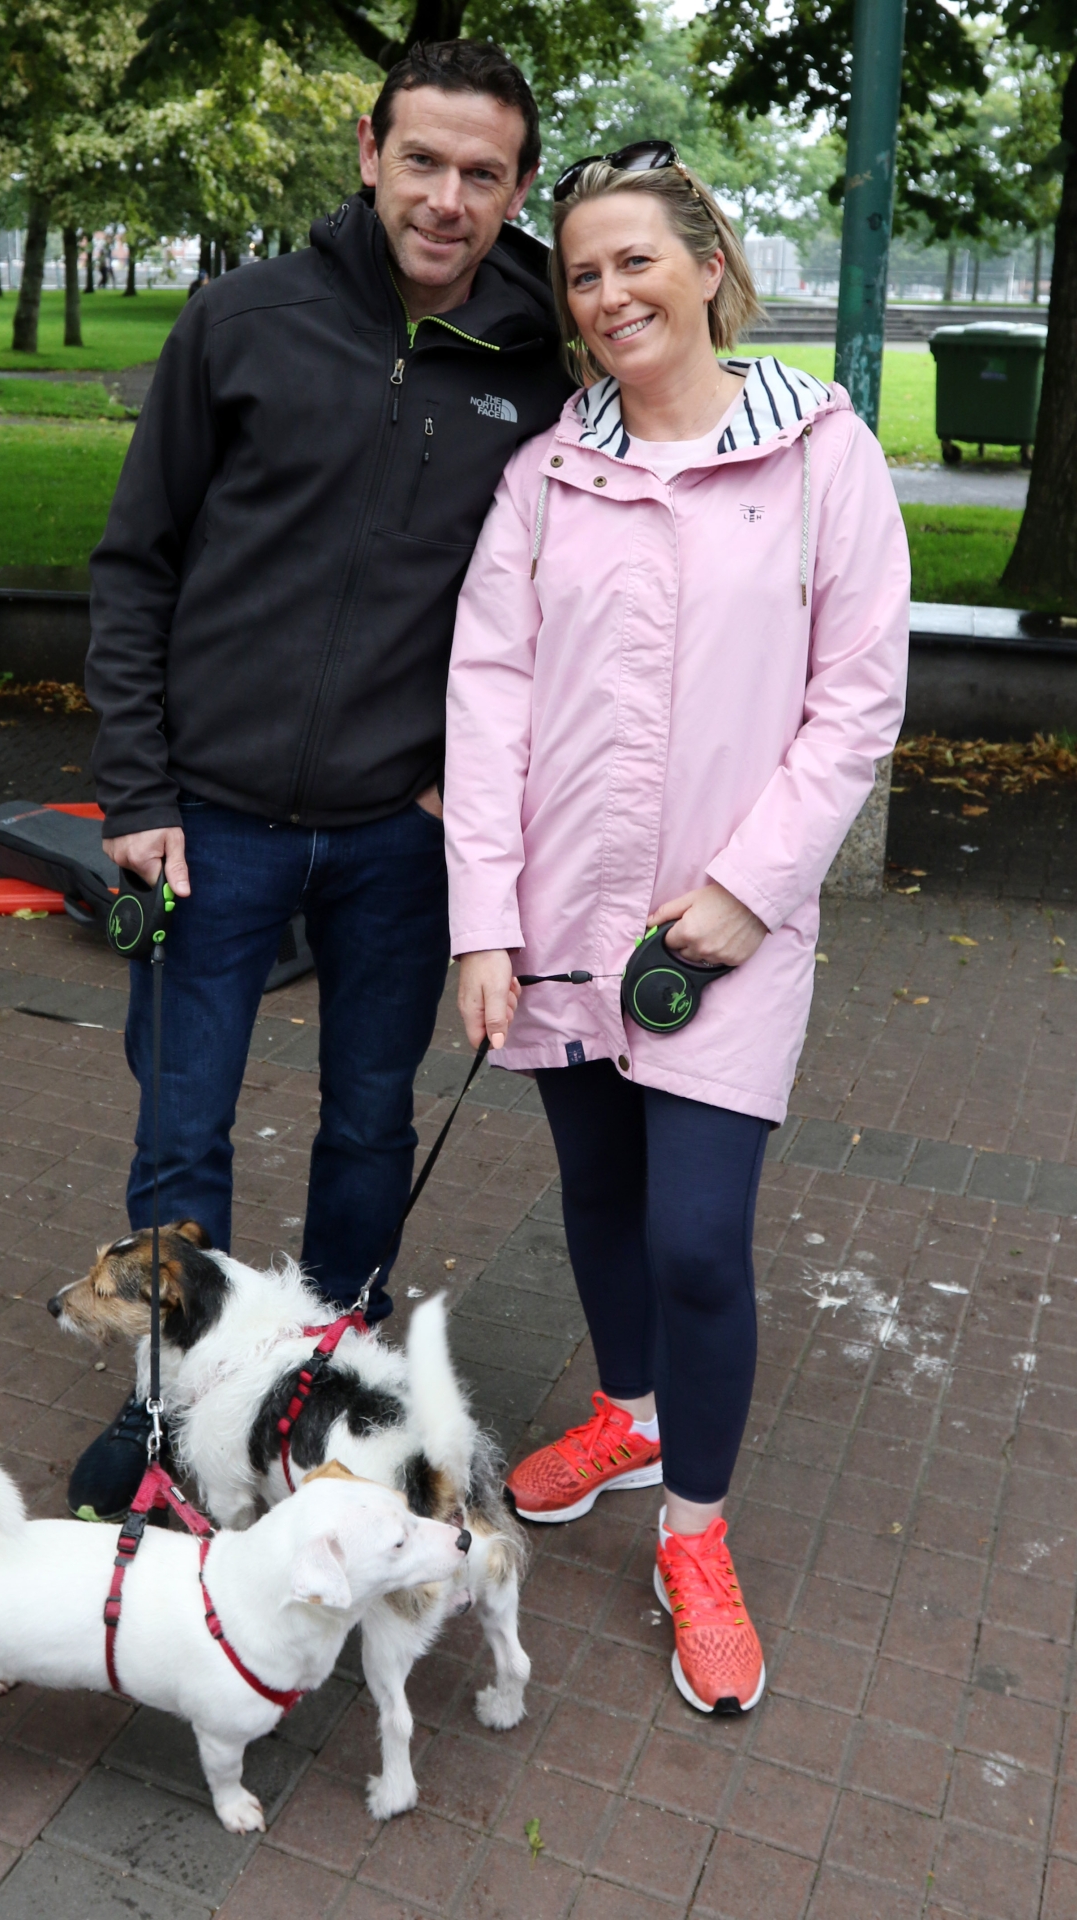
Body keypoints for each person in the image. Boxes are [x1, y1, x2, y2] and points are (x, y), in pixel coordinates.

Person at [72, 40, 574, 1520]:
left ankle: (331, 1390)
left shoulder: (540, 369)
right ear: (369, 150)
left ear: (517, 189)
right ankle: (171, 1413)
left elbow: (567, 602)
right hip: (207, 824)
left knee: (368, 1125)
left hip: (396, 839)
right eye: (422, 160)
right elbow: (136, 563)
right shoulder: (244, 319)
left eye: (483, 173)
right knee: (181, 1132)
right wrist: (137, 791)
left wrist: (472, 785)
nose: (447, 198)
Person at [445, 145, 909, 1717]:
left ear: (708, 265)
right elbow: (487, 702)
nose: (607, 294)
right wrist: (484, 925)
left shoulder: (823, 455)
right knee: (596, 1191)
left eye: (634, 259)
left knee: (698, 1238)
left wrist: (750, 890)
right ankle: (629, 1414)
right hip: (563, 912)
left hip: (729, 929)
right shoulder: (545, 477)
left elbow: (857, 701)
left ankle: (694, 1536)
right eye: (581, 273)